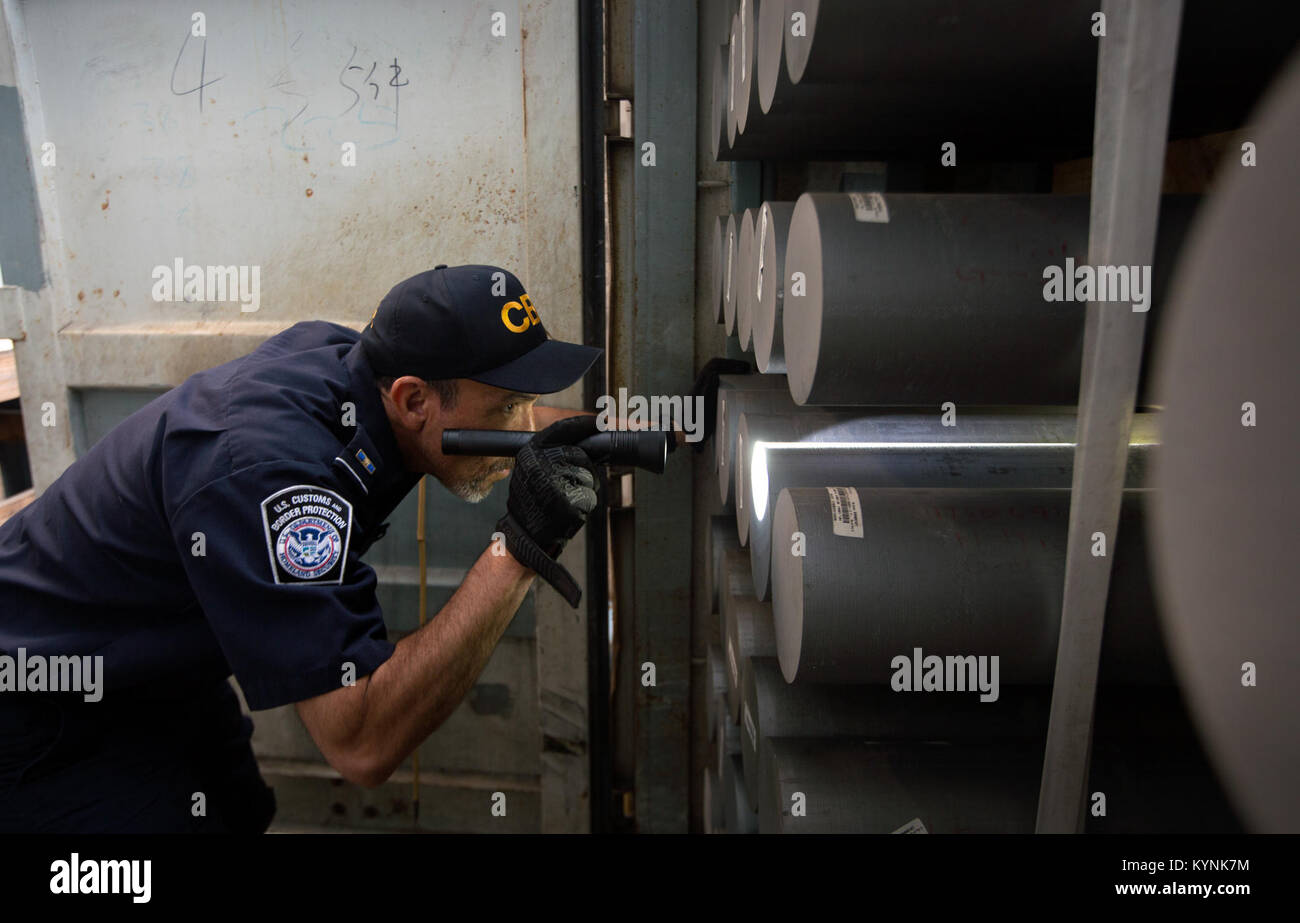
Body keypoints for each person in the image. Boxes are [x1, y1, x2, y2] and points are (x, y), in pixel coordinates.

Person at [0, 264, 603, 832]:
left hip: (155, 669)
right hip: (40, 702)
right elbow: (360, 743)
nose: (526, 430)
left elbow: (507, 416)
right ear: (414, 400)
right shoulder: (270, 476)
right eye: (509, 408)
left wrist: (628, 430)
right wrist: (519, 549)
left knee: (234, 809)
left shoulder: (348, 361)